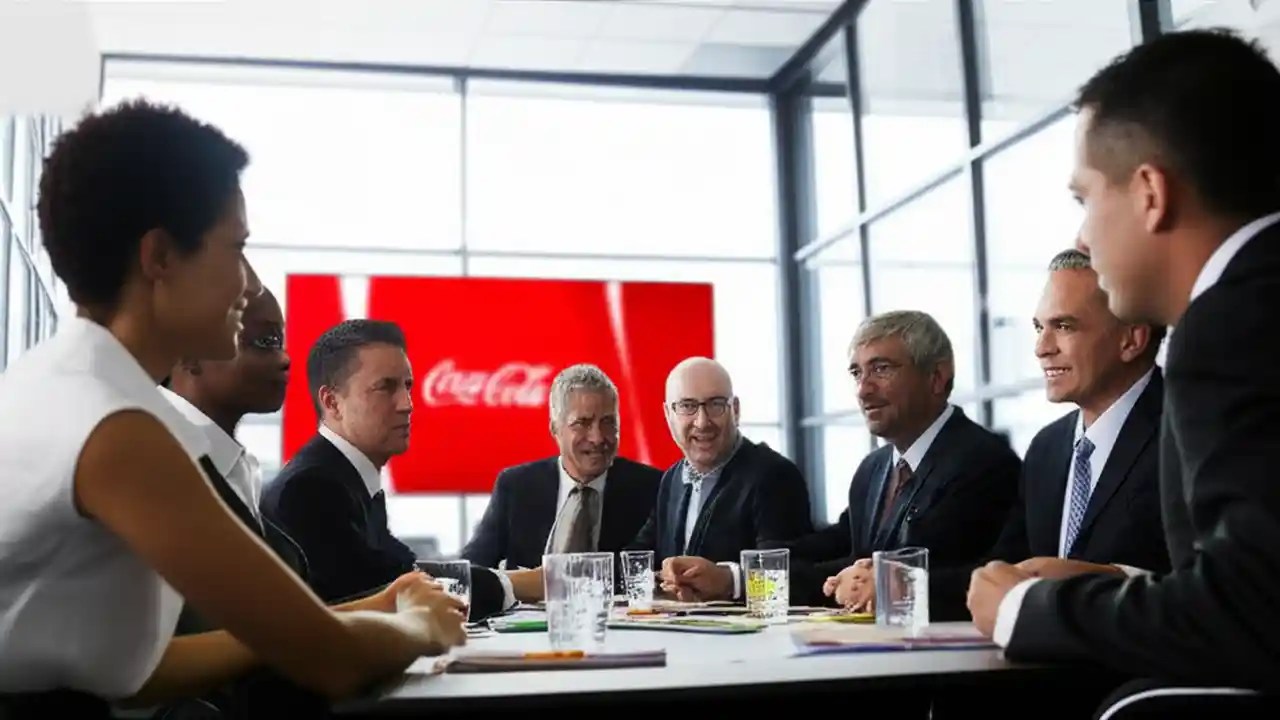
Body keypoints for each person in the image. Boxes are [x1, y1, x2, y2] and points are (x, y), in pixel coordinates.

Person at [0, 101, 464, 717]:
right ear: (160, 257)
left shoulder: (55, 381)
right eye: (235, 248)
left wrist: (376, 609)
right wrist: (420, 627)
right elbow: (330, 659)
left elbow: (134, 670)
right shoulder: (117, 430)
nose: (248, 284)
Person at [966, 29, 1280, 711]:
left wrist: (1029, 610)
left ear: (1148, 193)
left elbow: (1253, 612)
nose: (1081, 237)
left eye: (1084, 198)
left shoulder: (1232, 324)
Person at [828, 250, 1169, 619]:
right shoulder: (1047, 449)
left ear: (1131, 339)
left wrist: (1110, 578)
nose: (1042, 348)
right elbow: (1002, 570)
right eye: (1040, 328)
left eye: (1065, 326)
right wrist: (897, 584)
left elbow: (1215, 586)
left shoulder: (1186, 435)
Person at [663, 312, 1019, 606]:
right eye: (856, 373)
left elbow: (993, 577)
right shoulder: (873, 470)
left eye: (881, 369)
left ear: (936, 377)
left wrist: (893, 586)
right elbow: (834, 563)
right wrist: (733, 579)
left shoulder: (983, 462)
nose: (863, 389)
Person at [259, 319, 540, 617]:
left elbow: (404, 569)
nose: (407, 404)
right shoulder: (310, 489)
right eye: (385, 388)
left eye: (407, 386)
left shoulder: (344, 477)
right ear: (332, 402)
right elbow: (396, 596)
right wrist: (519, 584)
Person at [626, 357, 813, 597]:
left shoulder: (774, 476)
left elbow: (785, 577)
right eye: (687, 406)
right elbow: (641, 558)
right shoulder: (672, 478)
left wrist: (727, 582)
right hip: (679, 630)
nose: (702, 422)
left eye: (715, 404)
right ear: (667, 415)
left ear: (735, 410)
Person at [462, 364, 662, 571]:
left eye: (608, 422)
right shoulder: (516, 486)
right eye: (582, 423)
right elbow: (472, 567)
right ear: (555, 428)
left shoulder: (653, 488)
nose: (598, 437)